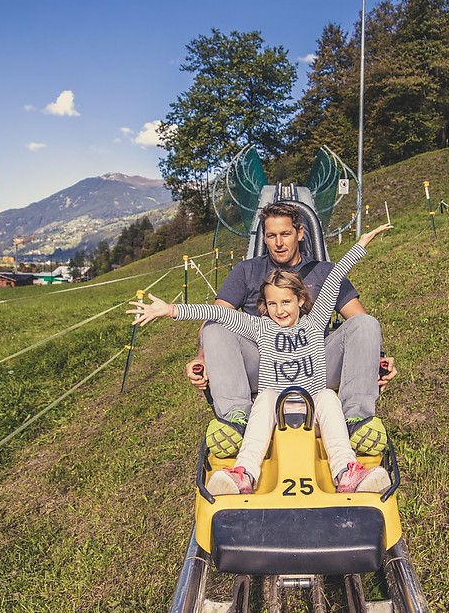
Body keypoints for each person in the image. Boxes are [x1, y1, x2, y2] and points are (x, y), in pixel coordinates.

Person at [129, 223, 395, 495]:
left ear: (301, 301)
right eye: (272, 304)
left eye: (286, 302)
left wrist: (361, 244)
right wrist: (170, 309)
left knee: (328, 396)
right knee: (265, 399)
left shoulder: (315, 323)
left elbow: (336, 276)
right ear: (264, 307)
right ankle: (244, 473)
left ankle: (346, 471)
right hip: (274, 408)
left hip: (313, 405)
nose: (280, 310)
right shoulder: (261, 328)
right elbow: (219, 314)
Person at [187, 202, 396, 459]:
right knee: (217, 328)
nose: (278, 243)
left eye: (285, 234)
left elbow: (359, 320)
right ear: (264, 237)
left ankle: (357, 419)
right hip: (266, 368)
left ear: (299, 233)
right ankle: (236, 421)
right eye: (271, 235)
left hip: (315, 366)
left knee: (366, 324)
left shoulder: (324, 273)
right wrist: (201, 357)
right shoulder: (247, 271)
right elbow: (215, 316)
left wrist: (378, 358)